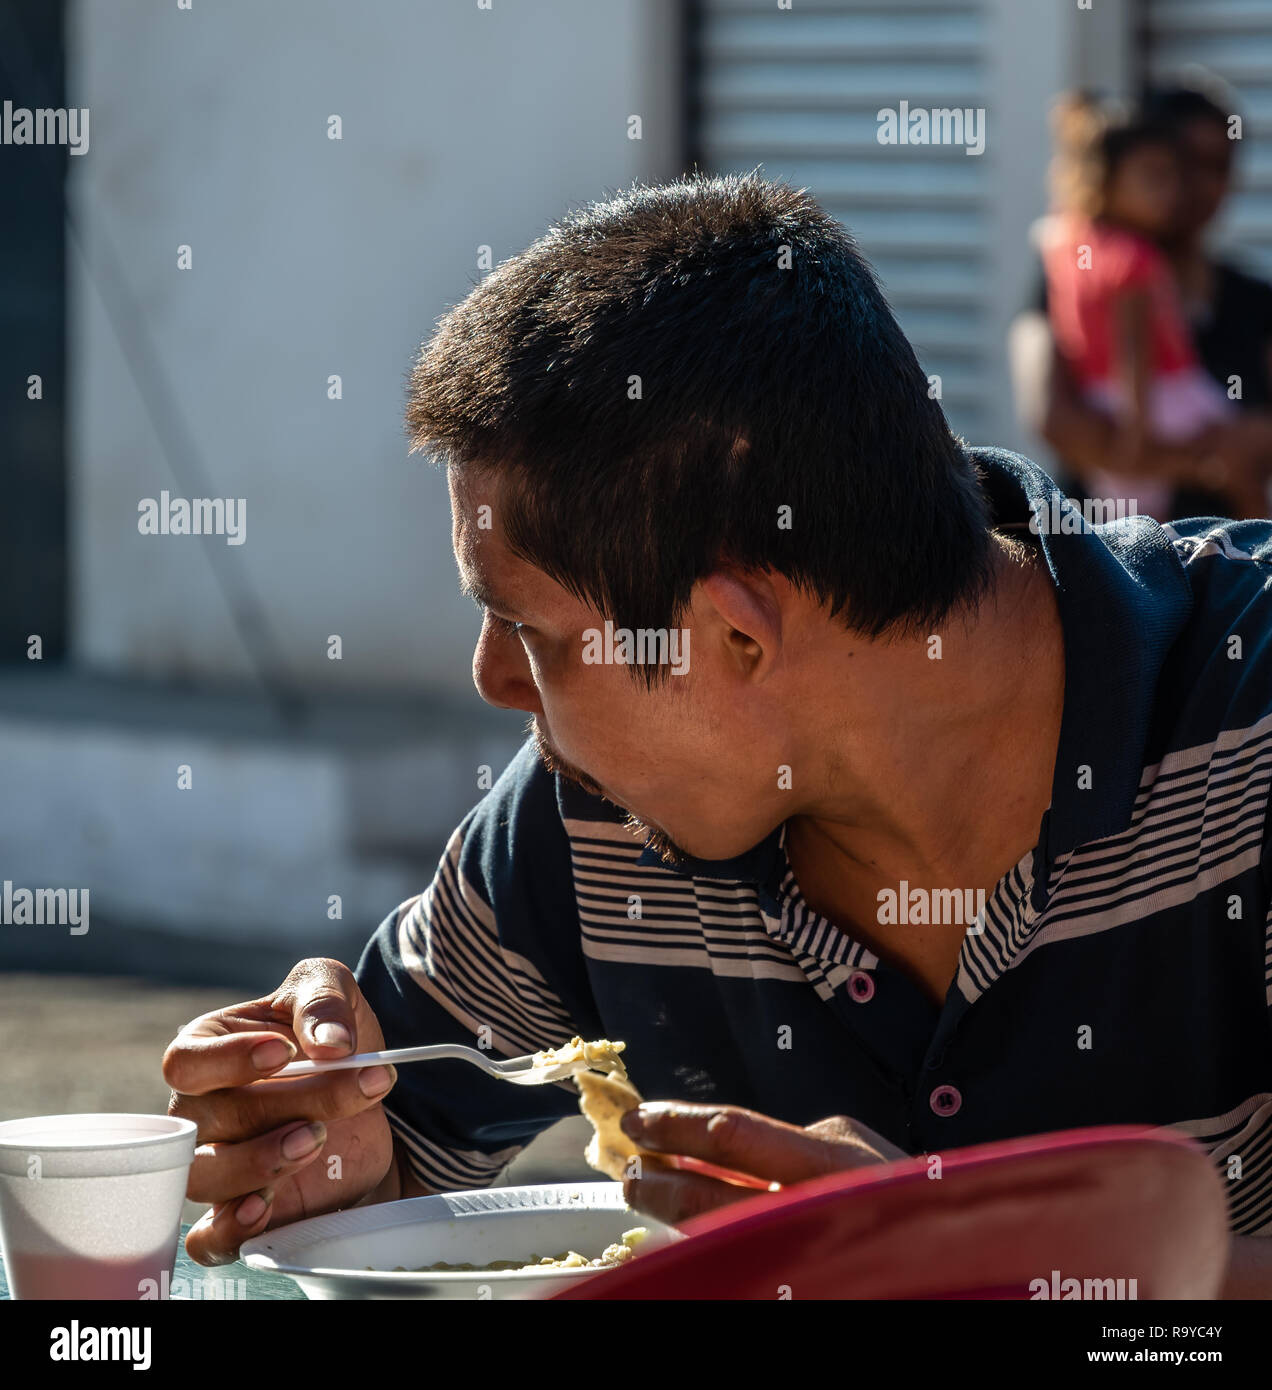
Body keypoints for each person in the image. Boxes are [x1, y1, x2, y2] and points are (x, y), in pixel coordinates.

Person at [163, 174, 1272, 1296]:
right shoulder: (600, 809)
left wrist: (989, 1264)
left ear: (734, 637)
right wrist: (319, 1148)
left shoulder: (1250, 717)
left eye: (525, 627)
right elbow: (387, 1153)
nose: (492, 678)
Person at [1012, 81, 1272, 521]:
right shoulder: (1077, 273)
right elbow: (1053, 417)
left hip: (1226, 562)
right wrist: (1203, 466)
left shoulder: (1253, 299)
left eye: (1217, 167)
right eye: (1174, 165)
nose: (1190, 186)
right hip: (1105, 551)